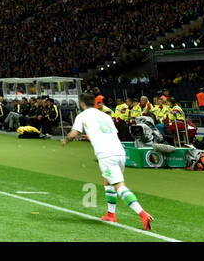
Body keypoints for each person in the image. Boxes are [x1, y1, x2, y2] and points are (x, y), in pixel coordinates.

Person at [63, 92, 153, 230]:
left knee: (119, 185)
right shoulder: (105, 115)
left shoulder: (82, 116)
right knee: (107, 180)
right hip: (120, 152)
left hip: (106, 155)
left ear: (82, 104)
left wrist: (65, 140)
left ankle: (142, 213)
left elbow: (74, 133)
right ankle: (111, 214)